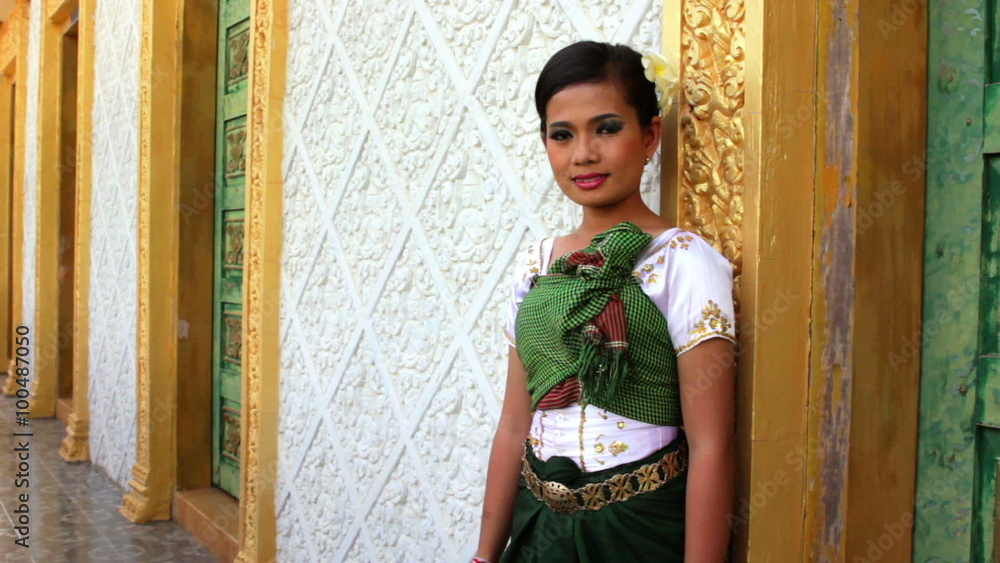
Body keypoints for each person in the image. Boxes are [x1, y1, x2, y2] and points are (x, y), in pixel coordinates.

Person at [472, 41, 737, 562]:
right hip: (538, 528)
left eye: (607, 128)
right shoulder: (537, 264)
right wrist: (484, 554)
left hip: (639, 530)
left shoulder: (682, 260)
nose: (583, 154)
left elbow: (712, 445)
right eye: (562, 135)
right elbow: (512, 425)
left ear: (649, 135)